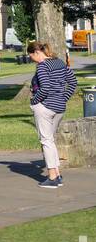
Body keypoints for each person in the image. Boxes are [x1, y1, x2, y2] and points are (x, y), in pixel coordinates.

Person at [27, 41, 78, 188]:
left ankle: (52, 177)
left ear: (37, 53)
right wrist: (63, 98)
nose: (31, 59)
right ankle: (57, 173)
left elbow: (45, 88)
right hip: (59, 108)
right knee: (51, 140)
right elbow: (73, 82)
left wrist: (34, 101)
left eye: (31, 56)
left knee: (46, 141)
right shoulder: (60, 62)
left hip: (45, 107)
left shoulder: (42, 66)